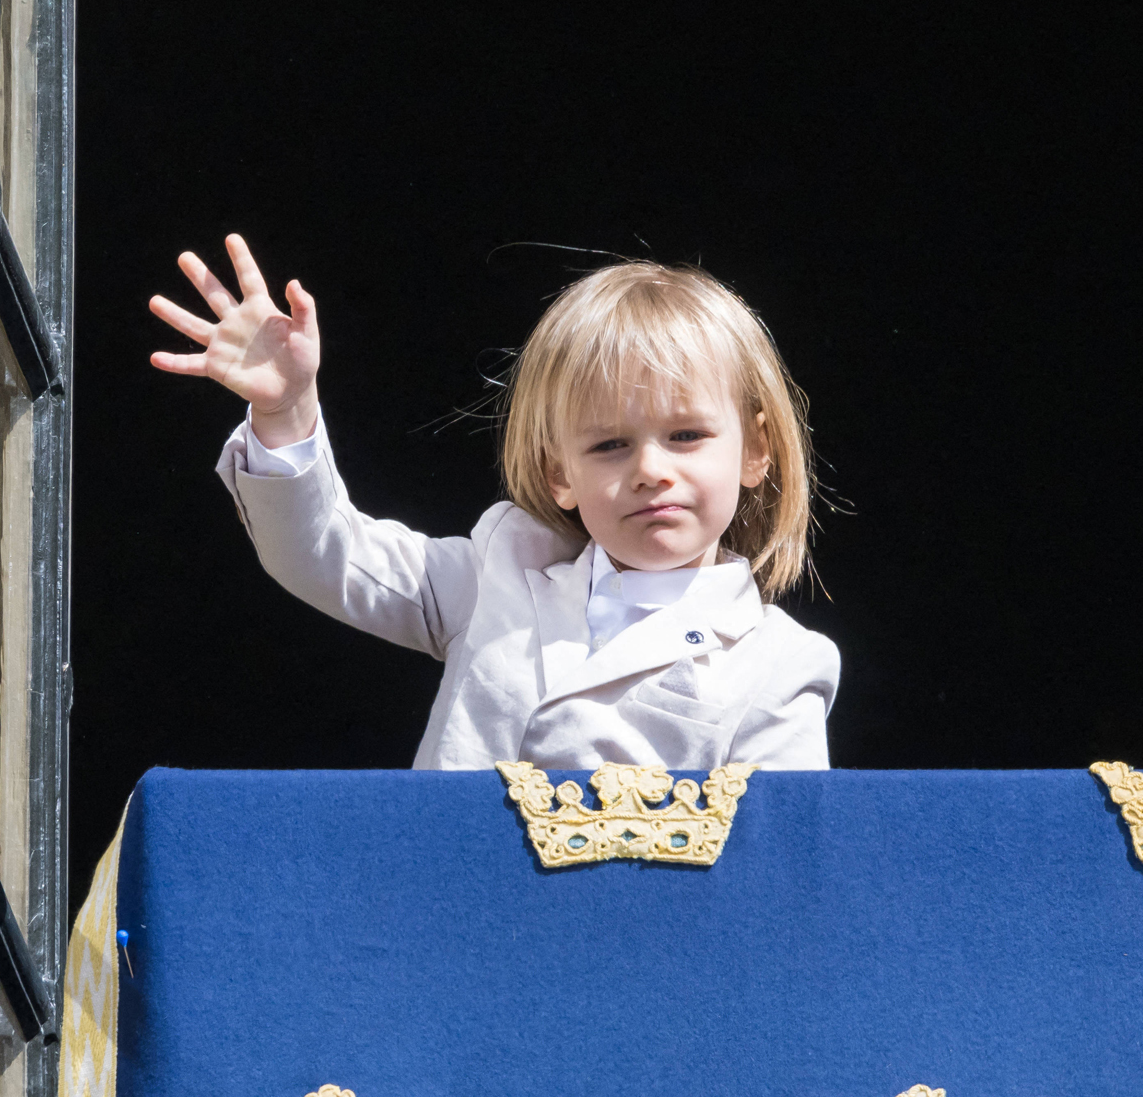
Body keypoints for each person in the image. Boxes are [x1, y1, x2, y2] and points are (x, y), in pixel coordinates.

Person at [149, 234, 839, 771]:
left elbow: (776, 866)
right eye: (609, 445)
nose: (650, 471)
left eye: (686, 435)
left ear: (756, 450)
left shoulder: (783, 663)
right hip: (449, 906)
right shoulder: (497, 571)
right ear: (558, 474)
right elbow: (323, 555)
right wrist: (287, 410)